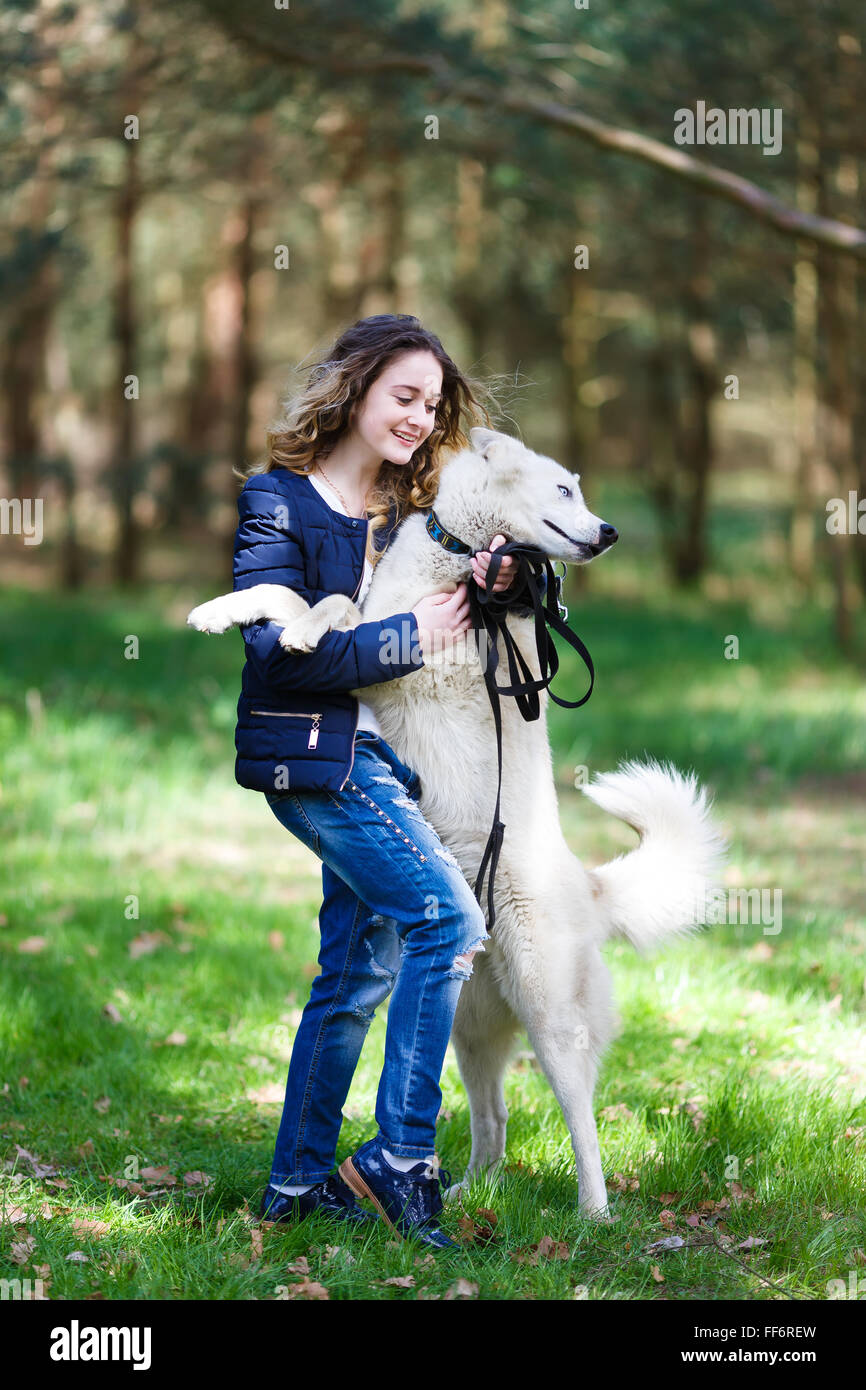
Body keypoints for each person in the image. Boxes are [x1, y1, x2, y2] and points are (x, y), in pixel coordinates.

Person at [232, 314, 524, 1249]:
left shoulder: (409, 517)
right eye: (403, 395)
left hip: (382, 759)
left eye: (431, 404)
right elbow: (277, 656)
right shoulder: (279, 502)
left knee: (354, 974)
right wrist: (403, 641)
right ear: (354, 389)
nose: (416, 416)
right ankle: (402, 1156)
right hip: (318, 761)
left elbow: (473, 597)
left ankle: (297, 1185)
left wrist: (499, 583)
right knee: (447, 920)